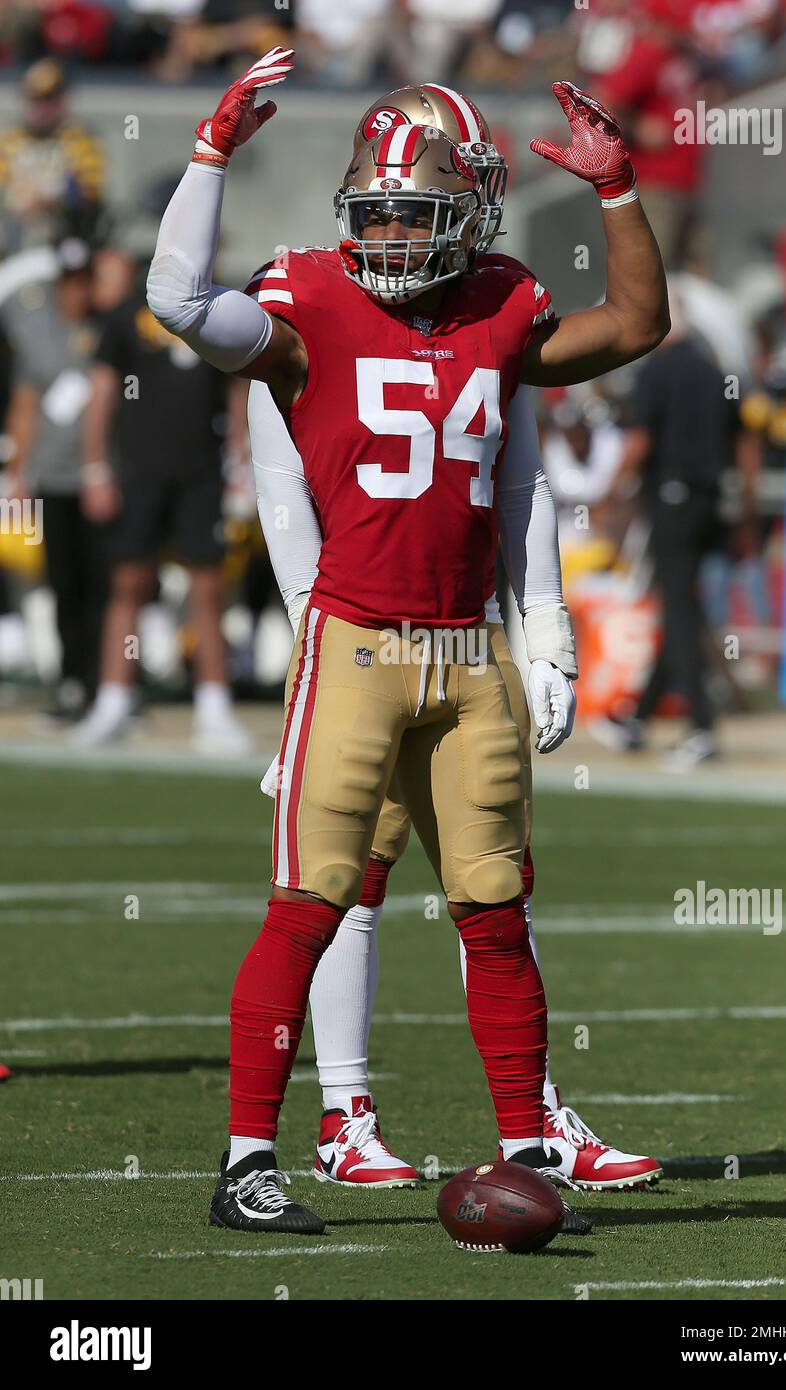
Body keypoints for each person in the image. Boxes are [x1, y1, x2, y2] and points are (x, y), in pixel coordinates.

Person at [146, 48, 668, 1233]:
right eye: (373, 213)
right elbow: (177, 300)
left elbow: (639, 320)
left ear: (471, 213)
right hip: (357, 648)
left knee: (494, 906)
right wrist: (210, 155)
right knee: (310, 902)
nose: (388, 236)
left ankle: (527, 1146)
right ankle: (249, 1162)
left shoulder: (501, 304)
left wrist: (617, 190)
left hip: (469, 654)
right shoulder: (305, 300)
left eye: (413, 215)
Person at [73, 269, 252, 753]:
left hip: (201, 472)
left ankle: (214, 707)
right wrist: (95, 467)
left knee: (209, 588)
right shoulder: (127, 313)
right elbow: (105, 390)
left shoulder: (221, 305)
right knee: (128, 582)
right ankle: (113, 700)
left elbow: (237, 389)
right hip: (140, 471)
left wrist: (241, 462)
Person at [603, 292, 748, 769]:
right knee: (681, 606)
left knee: (680, 609)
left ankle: (701, 726)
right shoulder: (713, 372)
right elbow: (743, 441)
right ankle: (639, 718)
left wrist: (610, 496)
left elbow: (640, 441)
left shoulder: (657, 372)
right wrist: (744, 510)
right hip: (711, 503)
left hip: (672, 499)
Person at [3, 237, 106, 722]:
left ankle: (104, 684)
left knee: (102, 584)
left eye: (81, 282)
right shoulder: (40, 336)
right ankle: (71, 682)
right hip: (56, 478)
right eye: (67, 284)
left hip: (100, 479)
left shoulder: (107, 331)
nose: (74, 293)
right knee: (64, 584)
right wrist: (19, 474)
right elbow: (24, 405)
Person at [0, 59, 105, 257]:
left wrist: (51, 197)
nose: (42, 107)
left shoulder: (81, 140)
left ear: (62, 100)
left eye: (49, 99)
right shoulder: (9, 141)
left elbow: (91, 193)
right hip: (12, 230)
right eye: (35, 98)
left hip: (64, 233)